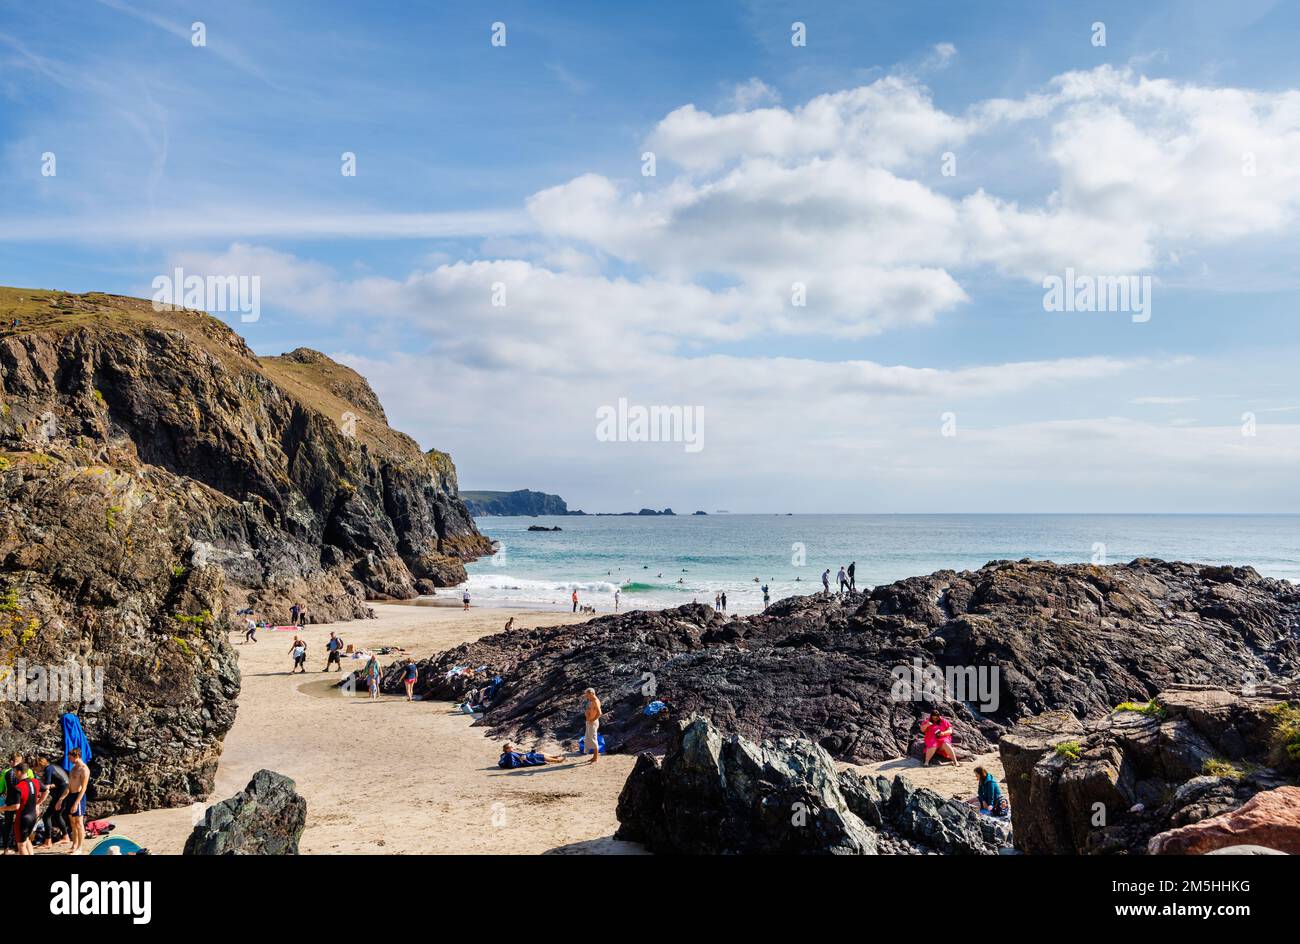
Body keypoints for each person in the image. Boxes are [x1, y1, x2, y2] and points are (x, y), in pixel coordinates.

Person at [1, 762, 42, 856]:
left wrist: (2, 809)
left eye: (15, 772)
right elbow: (46, 790)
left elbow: (16, 806)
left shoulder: (18, 787)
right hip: (33, 816)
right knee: (27, 839)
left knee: (21, 846)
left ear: (19, 772)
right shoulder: (35, 781)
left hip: (22, 818)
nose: (14, 774)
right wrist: (38, 803)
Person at [35, 756, 69, 849]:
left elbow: (47, 787)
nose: (35, 770)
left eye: (35, 767)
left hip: (61, 794)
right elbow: (60, 781)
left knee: (46, 816)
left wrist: (38, 798)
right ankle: (66, 837)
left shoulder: (48, 770)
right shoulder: (52, 767)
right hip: (65, 791)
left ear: (40, 765)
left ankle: (48, 842)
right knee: (58, 815)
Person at [64, 748, 89, 854]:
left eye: (70, 756)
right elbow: (69, 785)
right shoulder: (73, 768)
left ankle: (80, 848)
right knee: (72, 823)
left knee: (79, 823)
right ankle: (74, 845)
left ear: (77, 756)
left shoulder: (84, 769)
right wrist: (61, 799)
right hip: (71, 795)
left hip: (79, 797)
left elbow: (84, 788)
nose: (68, 758)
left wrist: (76, 802)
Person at [498, 743, 565, 768]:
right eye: (511, 747)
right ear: (507, 749)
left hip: (525, 756)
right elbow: (512, 764)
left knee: (540, 752)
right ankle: (557, 760)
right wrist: (521, 760)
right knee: (540, 756)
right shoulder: (509, 754)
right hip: (526, 759)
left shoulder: (505, 755)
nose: (512, 747)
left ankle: (553, 756)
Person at [582, 687, 602, 765]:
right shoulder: (591, 700)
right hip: (590, 722)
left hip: (592, 723)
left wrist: (592, 720)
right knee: (589, 738)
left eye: (587, 695)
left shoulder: (595, 701)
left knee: (593, 739)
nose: (586, 696)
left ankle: (596, 758)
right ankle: (594, 757)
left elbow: (599, 713)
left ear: (592, 693)